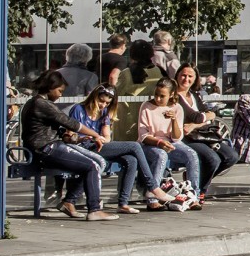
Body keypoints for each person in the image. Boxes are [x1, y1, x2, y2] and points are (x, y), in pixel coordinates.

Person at [71, 85, 181, 213]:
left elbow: (107, 137)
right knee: (135, 146)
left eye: (107, 103)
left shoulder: (104, 112)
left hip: (99, 145)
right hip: (84, 147)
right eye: (101, 101)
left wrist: (100, 139)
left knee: (131, 160)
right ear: (94, 97)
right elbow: (71, 135)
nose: (103, 105)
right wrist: (88, 138)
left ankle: (123, 203)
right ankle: (152, 187)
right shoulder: (78, 109)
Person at [21, 72, 114, 221]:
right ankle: (94, 209)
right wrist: (96, 135)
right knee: (92, 166)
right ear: (50, 87)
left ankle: (69, 202)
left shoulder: (35, 102)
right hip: (46, 149)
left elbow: (58, 128)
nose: (60, 95)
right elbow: (71, 123)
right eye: (59, 91)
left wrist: (72, 136)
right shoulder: (41, 103)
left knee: (91, 163)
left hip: (45, 147)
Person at [172, 64, 238, 196]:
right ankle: (199, 191)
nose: (186, 79)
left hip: (203, 135)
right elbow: (197, 116)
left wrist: (197, 123)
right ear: (177, 76)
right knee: (213, 159)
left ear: (195, 78)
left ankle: (198, 180)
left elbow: (209, 116)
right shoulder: (175, 97)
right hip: (186, 138)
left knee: (231, 156)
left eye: (190, 76)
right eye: (183, 75)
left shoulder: (194, 95)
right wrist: (206, 117)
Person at [138, 79, 204, 208]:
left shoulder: (177, 108)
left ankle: (193, 196)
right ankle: (153, 198)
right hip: (151, 143)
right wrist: (159, 142)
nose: (158, 98)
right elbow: (143, 136)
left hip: (170, 142)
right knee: (160, 155)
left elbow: (176, 137)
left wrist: (174, 120)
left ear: (171, 95)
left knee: (191, 155)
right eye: (156, 94)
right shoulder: (146, 106)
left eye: (162, 96)